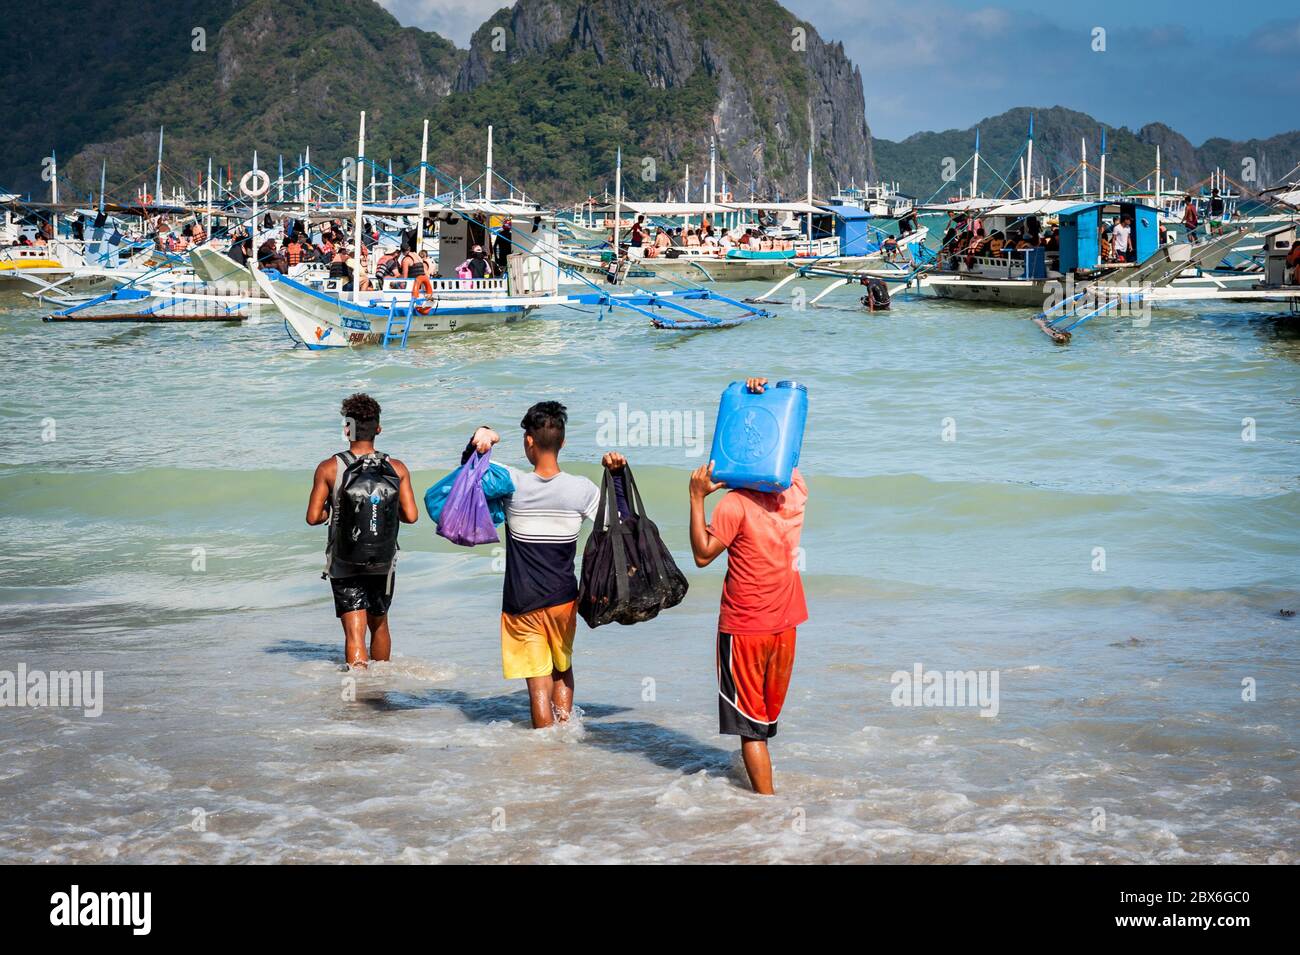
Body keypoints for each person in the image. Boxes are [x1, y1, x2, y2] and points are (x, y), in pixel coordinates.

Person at [466, 405, 626, 729]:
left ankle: (545, 748)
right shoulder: (581, 489)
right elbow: (619, 523)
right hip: (564, 600)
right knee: (562, 669)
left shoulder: (511, 483)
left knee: (538, 682)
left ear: (528, 442)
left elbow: (469, 475)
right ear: (563, 443)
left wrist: (483, 437)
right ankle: (565, 734)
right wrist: (618, 477)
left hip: (521, 602)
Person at [688, 377, 809, 796]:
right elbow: (784, 439)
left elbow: (703, 555)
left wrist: (695, 496)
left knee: (750, 729)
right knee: (764, 720)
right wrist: (767, 399)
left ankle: (765, 812)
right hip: (787, 625)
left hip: (745, 627)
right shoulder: (795, 492)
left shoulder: (732, 504)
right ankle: (763, 797)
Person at [306, 393, 418, 669]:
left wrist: (333, 511)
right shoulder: (397, 467)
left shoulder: (329, 467)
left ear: (347, 429)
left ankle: (358, 694)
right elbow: (412, 516)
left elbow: (312, 517)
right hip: (382, 559)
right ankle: (380, 688)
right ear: (378, 429)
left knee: (355, 632)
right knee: (379, 624)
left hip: (345, 559)